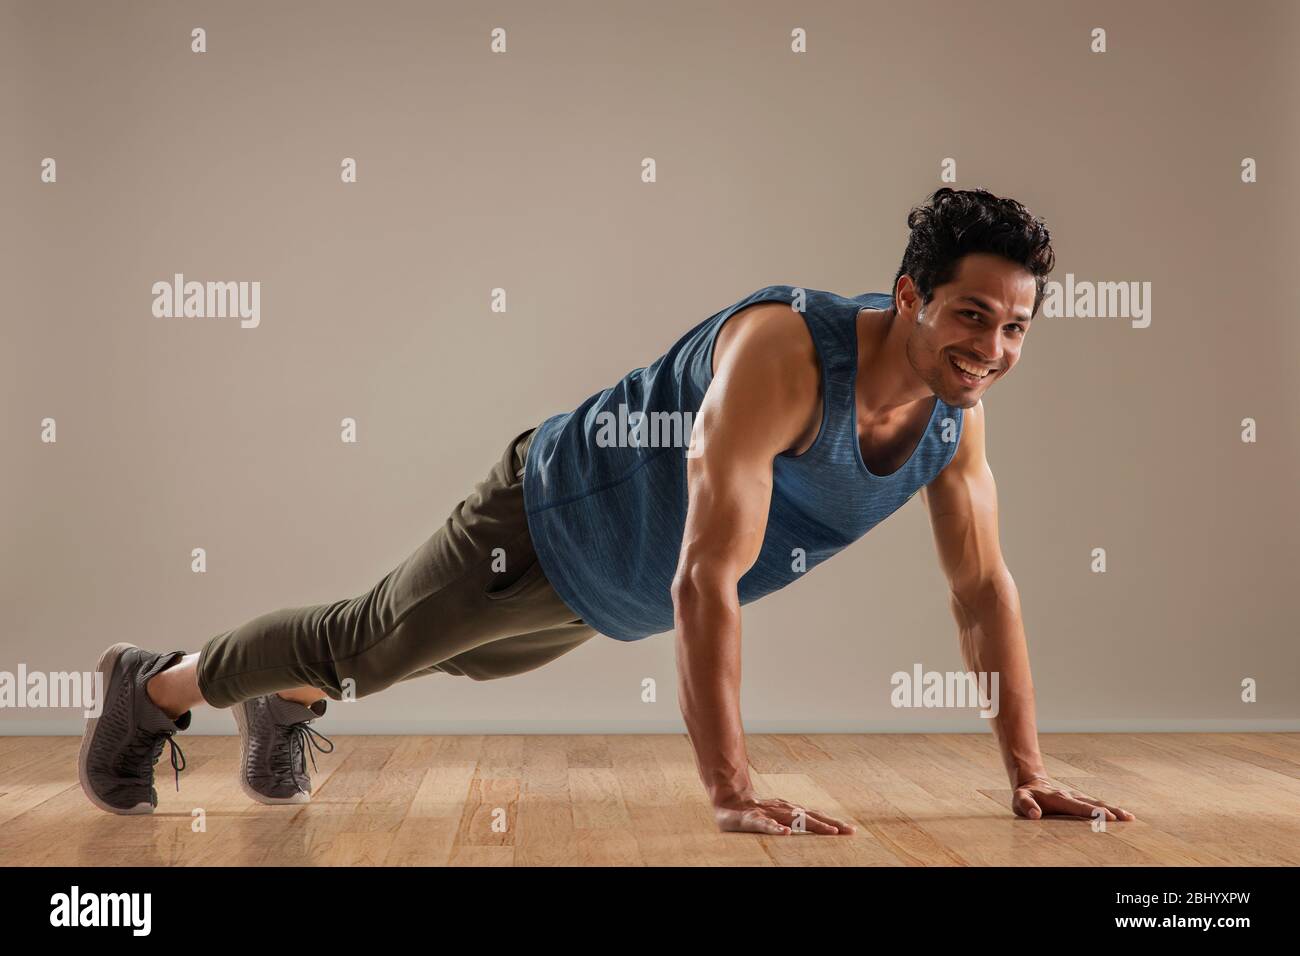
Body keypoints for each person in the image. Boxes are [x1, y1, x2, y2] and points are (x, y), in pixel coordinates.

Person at [79, 187, 1136, 833]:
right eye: (969, 315)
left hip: (609, 590)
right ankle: (153, 684)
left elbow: (981, 588)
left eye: (1014, 328)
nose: (991, 349)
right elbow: (706, 574)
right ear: (908, 294)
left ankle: (289, 700)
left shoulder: (954, 419)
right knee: (368, 640)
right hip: (548, 516)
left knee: (415, 657)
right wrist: (730, 785)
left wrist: (1027, 771)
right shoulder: (785, 353)